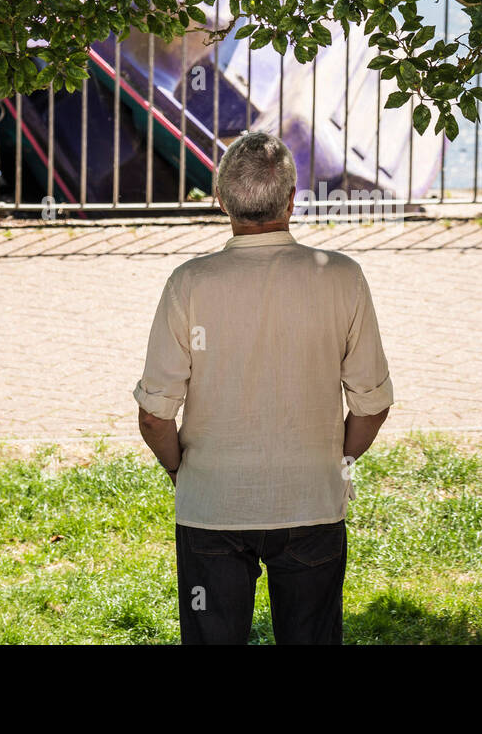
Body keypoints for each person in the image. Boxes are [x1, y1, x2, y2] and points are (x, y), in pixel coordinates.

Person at [134, 131, 393, 644]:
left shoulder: (189, 283)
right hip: (312, 502)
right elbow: (372, 405)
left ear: (221, 200)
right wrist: (335, 461)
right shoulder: (343, 277)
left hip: (212, 504)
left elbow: (154, 415)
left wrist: (179, 470)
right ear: (293, 201)